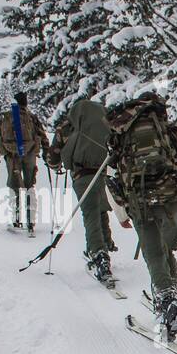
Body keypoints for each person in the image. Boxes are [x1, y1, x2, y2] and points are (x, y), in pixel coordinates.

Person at [106, 91, 177, 338]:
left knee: (152, 250)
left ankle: (167, 298)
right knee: (167, 242)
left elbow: (113, 173)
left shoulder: (121, 131)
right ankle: (172, 286)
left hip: (139, 199)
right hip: (171, 195)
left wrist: (122, 209)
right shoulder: (167, 127)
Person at [45, 96, 116, 285]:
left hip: (81, 174)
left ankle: (99, 255)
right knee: (100, 207)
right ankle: (105, 243)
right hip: (101, 172)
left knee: (90, 214)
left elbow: (53, 157)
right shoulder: (104, 124)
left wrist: (54, 165)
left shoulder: (68, 127)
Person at [0, 91, 50, 232]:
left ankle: (16, 219)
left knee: (14, 186)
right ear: (25, 103)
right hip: (29, 154)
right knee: (30, 186)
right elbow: (42, 135)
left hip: (11, 156)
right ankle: (31, 221)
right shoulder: (31, 117)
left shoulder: (5, 117)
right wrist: (47, 151)